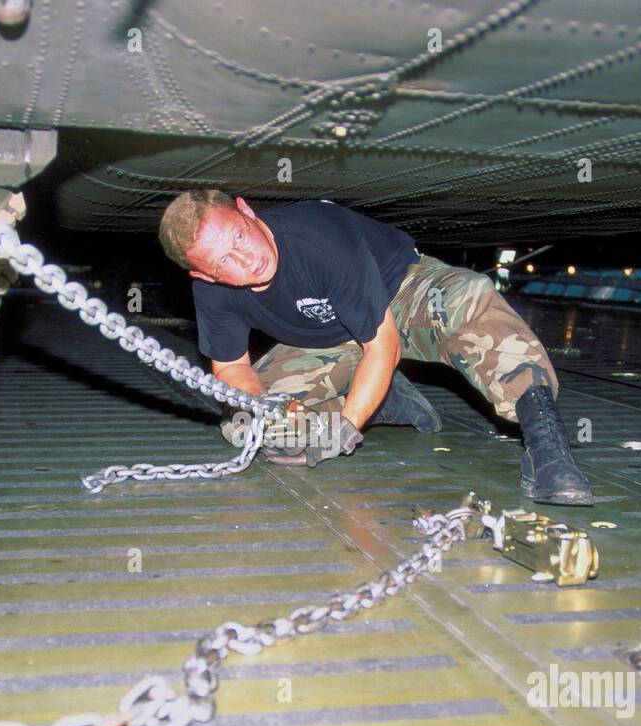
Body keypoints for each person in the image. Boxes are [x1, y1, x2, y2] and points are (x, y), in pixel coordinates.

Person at [157, 189, 593, 506]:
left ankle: (546, 442)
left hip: (402, 298)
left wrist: (347, 427)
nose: (244, 259)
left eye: (239, 237)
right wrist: (258, 409)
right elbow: (232, 368)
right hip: (329, 339)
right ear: (206, 277)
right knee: (254, 424)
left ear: (246, 210)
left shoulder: (316, 238)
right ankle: (386, 402)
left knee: (469, 299)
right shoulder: (214, 293)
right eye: (222, 263)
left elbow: (381, 345)